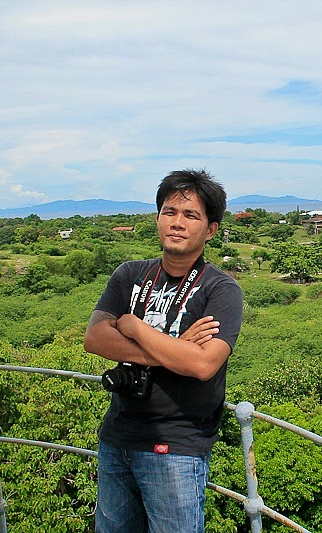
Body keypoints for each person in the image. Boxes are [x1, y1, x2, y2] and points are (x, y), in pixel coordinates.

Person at [84, 169, 244, 533]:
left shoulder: (221, 290)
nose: (177, 222)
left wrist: (134, 327)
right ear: (157, 218)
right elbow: (95, 339)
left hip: (176, 448)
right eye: (169, 212)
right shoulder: (129, 274)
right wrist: (177, 349)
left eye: (190, 215)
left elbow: (203, 364)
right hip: (116, 438)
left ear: (211, 229)